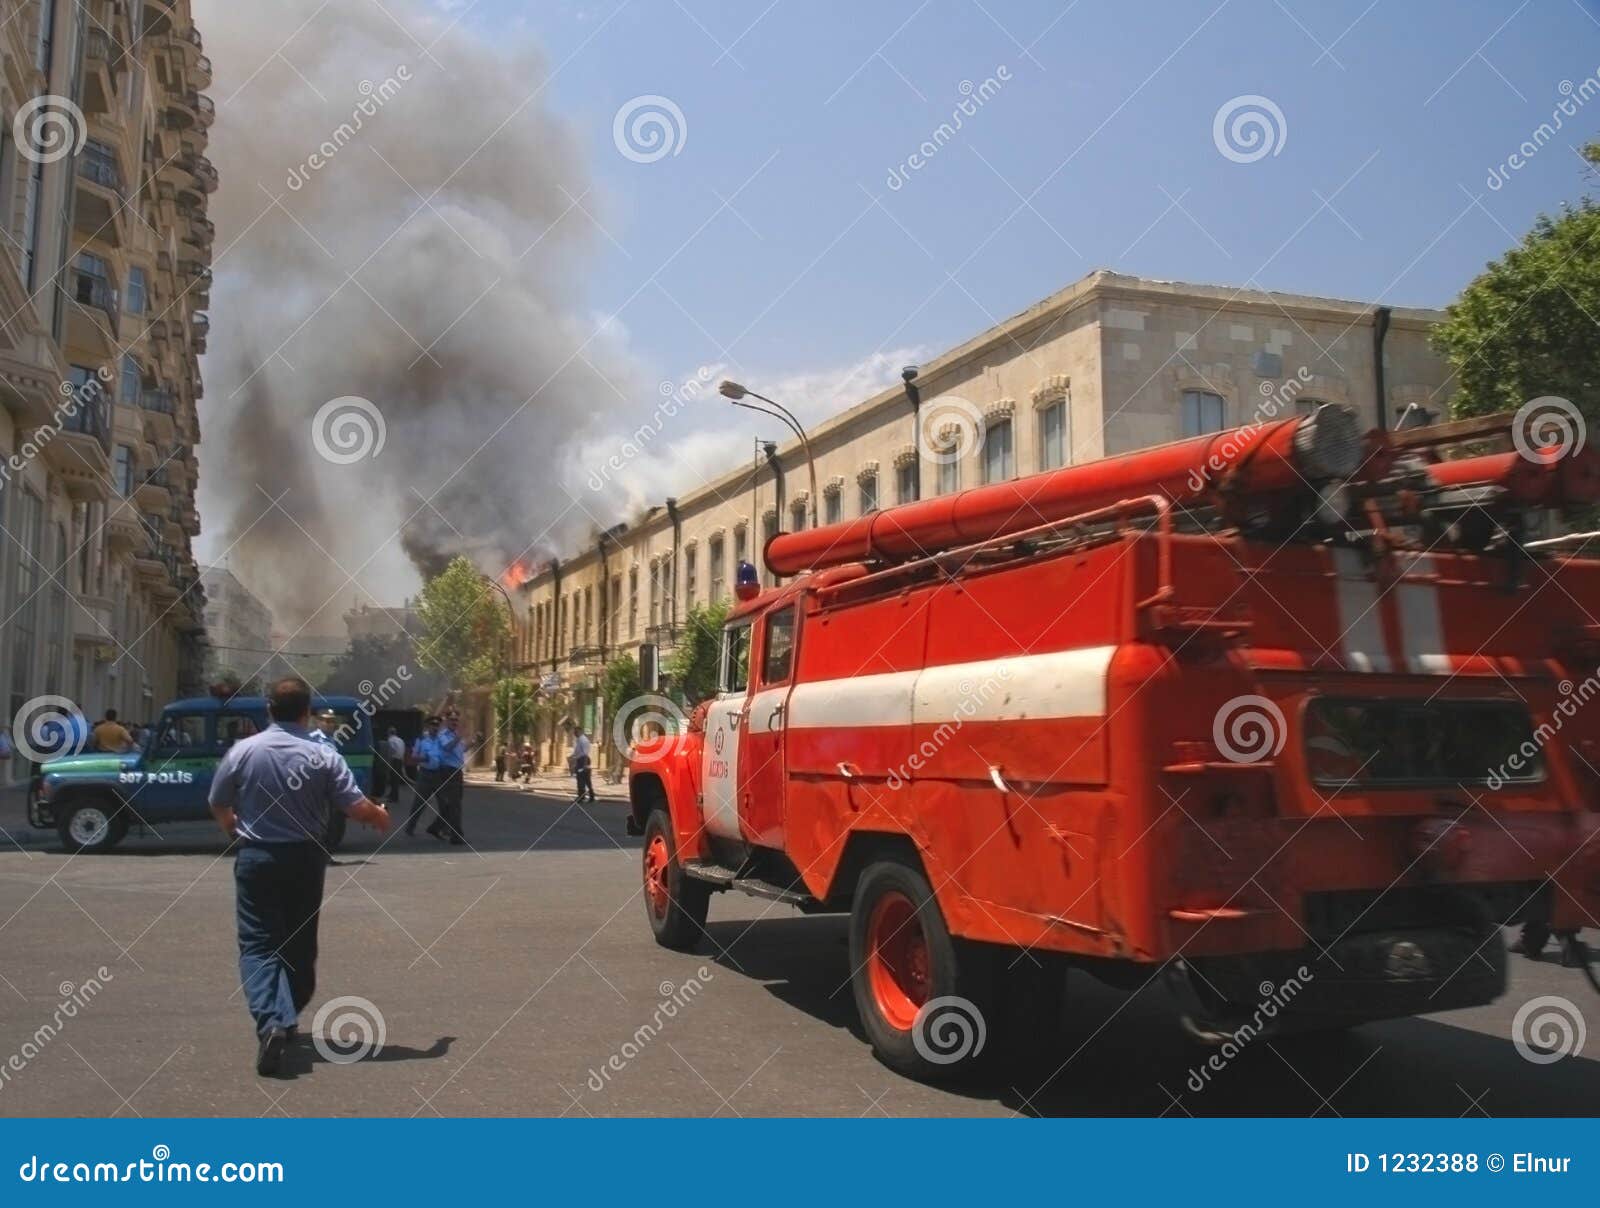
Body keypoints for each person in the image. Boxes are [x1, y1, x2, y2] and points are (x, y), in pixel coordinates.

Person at [207, 676, 390, 1076]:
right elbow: (355, 807)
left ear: (269, 710)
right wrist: (378, 814)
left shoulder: (244, 750)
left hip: (257, 857)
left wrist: (233, 829)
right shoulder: (323, 754)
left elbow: (219, 801)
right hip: (305, 860)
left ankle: (273, 1020)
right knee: (299, 946)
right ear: (307, 714)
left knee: (258, 944)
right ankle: (283, 1018)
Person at [403, 717, 447, 840]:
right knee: (419, 803)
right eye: (433, 724)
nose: (435, 727)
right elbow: (413, 758)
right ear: (428, 726)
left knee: (445, 804)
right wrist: (424, 758)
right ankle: (410, 827)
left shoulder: (441, 740)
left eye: (437, 725)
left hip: (439, 774)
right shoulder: (421, 740)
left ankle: (440, 828)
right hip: (425, 774)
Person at [434, 710, 467, 845]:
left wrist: (475, 742)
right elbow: (447, 748)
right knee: (455, 805)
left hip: (457, 771)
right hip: (448, 771)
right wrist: (458, 737)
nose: (454, 722)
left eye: (456, 720)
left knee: (454, 803)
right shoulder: (443, 735)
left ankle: (435, 827)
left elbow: (462, 750)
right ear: (446, 721)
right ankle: (456, 835)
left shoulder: (454, 735)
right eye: (452, 720)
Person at [383, 726, 406, 804]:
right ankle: (391, 794)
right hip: (400, 760)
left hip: (394, 760)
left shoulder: (390, 740)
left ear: (389, 733)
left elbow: (392, 751)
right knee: (396, 779)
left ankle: (394, 797)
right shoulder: (400, 740)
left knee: (393, 779)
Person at [571, 728, 595, 804]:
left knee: (581, 778)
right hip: (581, 760)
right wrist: (572, 757)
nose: (574, 734)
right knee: (586, 779)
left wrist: (584, 765)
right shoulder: (579, 740)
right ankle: (590, 796)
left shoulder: (583, 740)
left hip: (583, 761)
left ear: (579, 732)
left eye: (576, 732)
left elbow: (585, 753)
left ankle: (581, 797)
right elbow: (577, 752)